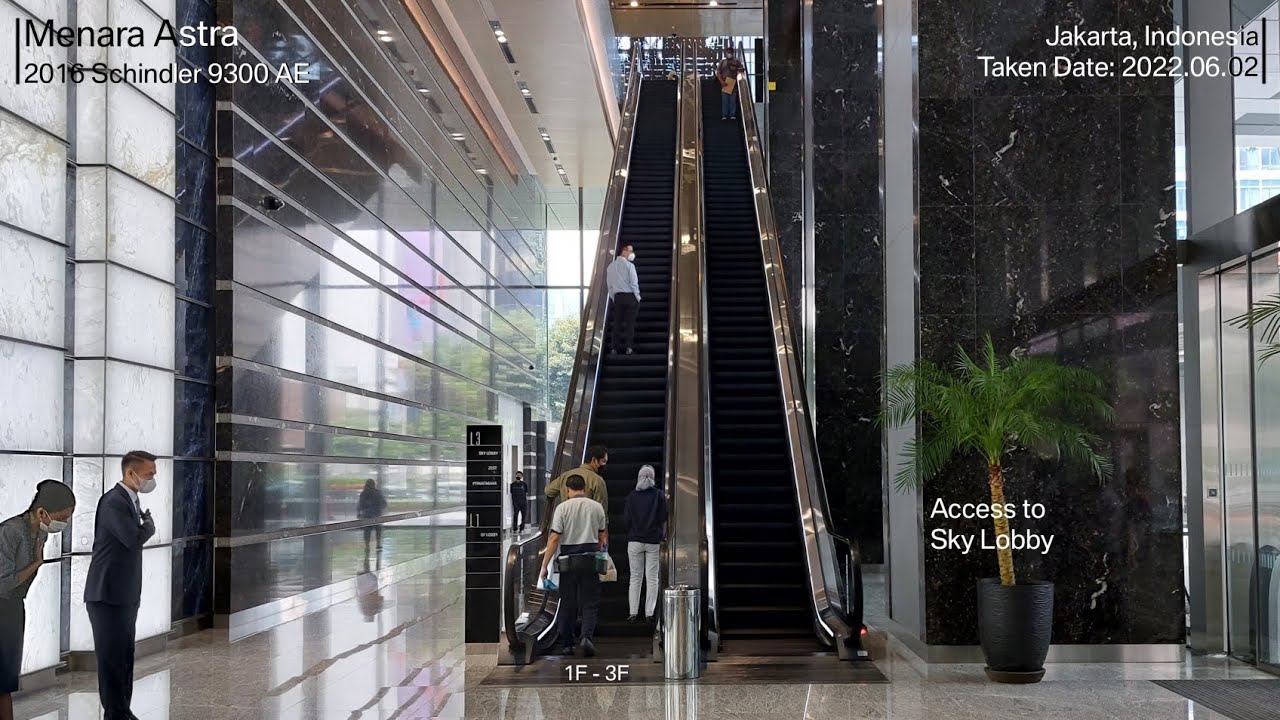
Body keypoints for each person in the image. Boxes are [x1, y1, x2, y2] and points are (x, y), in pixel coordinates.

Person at [86, 450, 159, 720]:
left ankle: (122, 712)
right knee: (112, 660)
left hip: (125, 594)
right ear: (131, 473)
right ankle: (115, 715)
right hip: (106, 595)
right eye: (149, 474)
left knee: (125, 657)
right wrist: (148, 527)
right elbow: (131, 539)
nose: (152, 479)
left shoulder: (131, 499)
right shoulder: (114, 502)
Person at [0, 480, 74, 720]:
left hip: (12, 609)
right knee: (2, 681)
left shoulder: (40, 534)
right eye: (62, 517)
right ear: (42, 512)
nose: (65, 523)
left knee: (6, 679)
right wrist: (35, 564)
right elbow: (3, 582)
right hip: (2, 606)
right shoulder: (10, 532)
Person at [538, 474, 608, 657]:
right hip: (590, 559)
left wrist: (544, 565)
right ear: (584, 488)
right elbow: (602, 537)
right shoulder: (597, 507)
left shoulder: (562, 508)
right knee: (590, 603)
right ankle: (586, 637)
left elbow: (554, 538)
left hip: (568, 561)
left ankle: (568, 644)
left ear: (567, 490)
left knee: (568, 603)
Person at [624, 465, 666, 624]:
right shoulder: (659, 495)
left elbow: (626, 519)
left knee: (635, 577)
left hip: (634, 540)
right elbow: (662, 517)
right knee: (652, 578)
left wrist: (632, 530)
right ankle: (649, 612)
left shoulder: (631, 496)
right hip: (653, 541)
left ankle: (633, 612)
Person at [545, 444, 609, 517]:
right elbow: (601, 510)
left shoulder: (565, 475)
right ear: (594, 460)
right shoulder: (597, 480)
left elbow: (548, 491)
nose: (605, 464)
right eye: (603, 461)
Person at [606, 244, 641, 354]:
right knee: (630, 323)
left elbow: (609, 286)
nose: (631, 254)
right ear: (624, 251)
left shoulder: (610, 267)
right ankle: (629, 348)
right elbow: (634, 283)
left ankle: (614, 348)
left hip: (618, 298)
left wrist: (614, 297)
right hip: (630, 296)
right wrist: (637, 297)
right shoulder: (630, 266)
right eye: (630, 251)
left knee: (617, 323)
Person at [357, 478, 388, 555]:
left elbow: (360, 505)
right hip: (377, 515)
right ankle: (378, 545)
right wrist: (380, 509)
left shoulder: (364, 493)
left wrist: (359, 513)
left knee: (367, 531)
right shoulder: (378, 492)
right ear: (374, 484)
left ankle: (367, 546)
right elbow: (384, 503)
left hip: (367, 515)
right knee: (378, 530)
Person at [716, 47, 745, 121]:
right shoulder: (722, 62)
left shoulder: (736, 61)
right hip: (725, 83)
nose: (729, 54)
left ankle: (732, 114)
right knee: (724, 100)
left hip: (733, 83)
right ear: (725, 53)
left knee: (732, 99)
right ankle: (724, 115)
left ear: (733, 53)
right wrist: (721, 81)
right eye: (728, 52)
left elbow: (742, 69)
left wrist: (736, 69)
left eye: (730, 52)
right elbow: (718, 72)